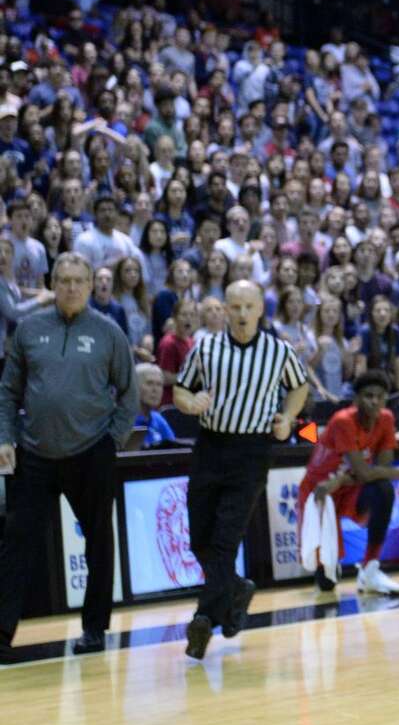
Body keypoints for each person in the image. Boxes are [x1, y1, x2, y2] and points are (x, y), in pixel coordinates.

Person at [0, 254, 138, 659]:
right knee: (15, 545)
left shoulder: (109, 332)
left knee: (98, 542)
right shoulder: (28, 328)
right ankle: (1, 631)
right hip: (35, 454)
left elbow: (128, 394)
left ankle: (94, 629)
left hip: (90, 453)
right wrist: (6, 437)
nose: (72, 288)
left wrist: (111, 441)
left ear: (92, 283)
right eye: (64, 281)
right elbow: (8, 391)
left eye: (79, 280)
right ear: (53, 283)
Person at [171, 280, 309, 660]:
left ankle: (203, 617)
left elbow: (299, 387)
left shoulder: (278, 351)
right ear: (225, 311)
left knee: (223, 541)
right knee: (199, 539)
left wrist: (289, 418)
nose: (243, 314)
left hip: (252, 451)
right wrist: (191, 401)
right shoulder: (207, 347)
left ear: (260, 310)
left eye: (249, 306)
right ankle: (235, 591)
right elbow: (180, 390)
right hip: (210, 446)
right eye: (235, 307)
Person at [296, 369, 399, 599]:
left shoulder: (386, 419)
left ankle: (370, 568)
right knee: (326, 581)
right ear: (356, 399)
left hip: (347, 486)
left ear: (385, 398)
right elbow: (366, 472)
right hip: (320, 491)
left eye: (379, 396)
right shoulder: (342, 421)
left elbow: (378, 472)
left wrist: (345, 479)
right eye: (368, 395)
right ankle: (329, 565)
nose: (374, 401)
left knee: (384, 489)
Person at [133, 365, 178, 447]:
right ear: (134, 387)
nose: (155, 390)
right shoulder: (120, 422)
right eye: (149, 383)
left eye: (159, 384)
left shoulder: (158, 419)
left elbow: (175, 453)